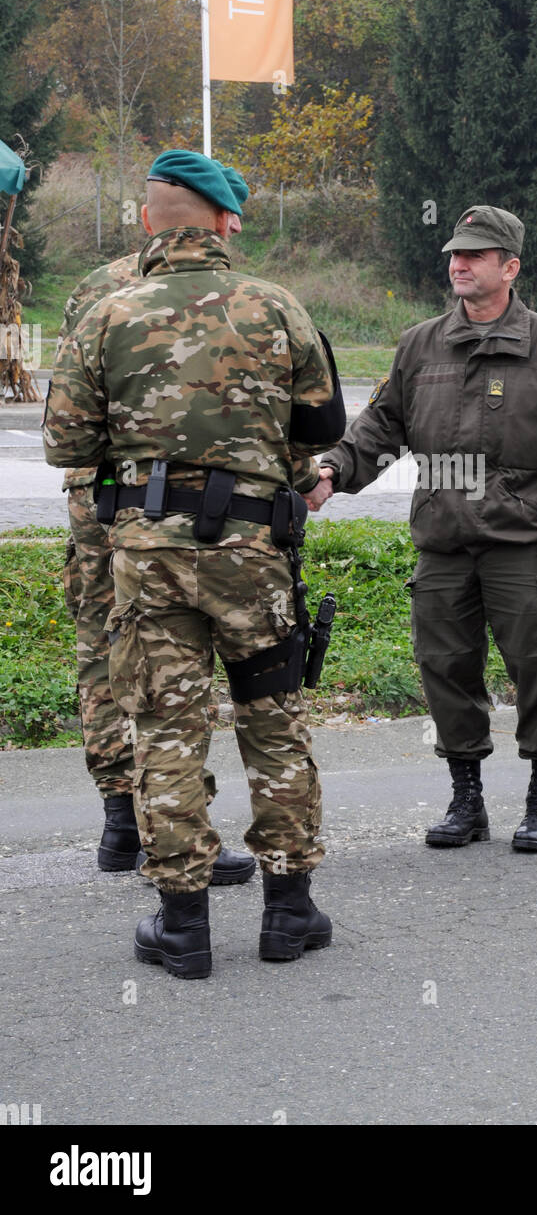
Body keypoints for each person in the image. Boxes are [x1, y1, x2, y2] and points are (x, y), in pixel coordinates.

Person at [44, 150, 345, 978]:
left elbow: (64, 444)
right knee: (274, 722)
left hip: (148, 556)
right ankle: (289, 912)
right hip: (253, 553)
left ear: (149, 221)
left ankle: (184, 926)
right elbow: (319, 432)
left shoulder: (109, 314)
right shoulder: (279, 308)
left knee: (167, 730)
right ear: (225, 220)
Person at [314, 205, 537, 851]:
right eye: (453, 255)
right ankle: (467, 801)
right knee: (444, 669)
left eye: (474, 255)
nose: (457, 265)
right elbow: (379, 429)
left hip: (521, 544)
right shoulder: (420, 345)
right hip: (442, 541)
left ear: (509, 267)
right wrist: (331, 470)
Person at [58, 158, 255, 887]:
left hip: (95, 498)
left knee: (103, 650)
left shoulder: (97, 286)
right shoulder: (223, 297)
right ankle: (171, 825)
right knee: (172, 668)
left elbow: (69, 415)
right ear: (219, 218)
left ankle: (120, 820)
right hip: (169, 507)